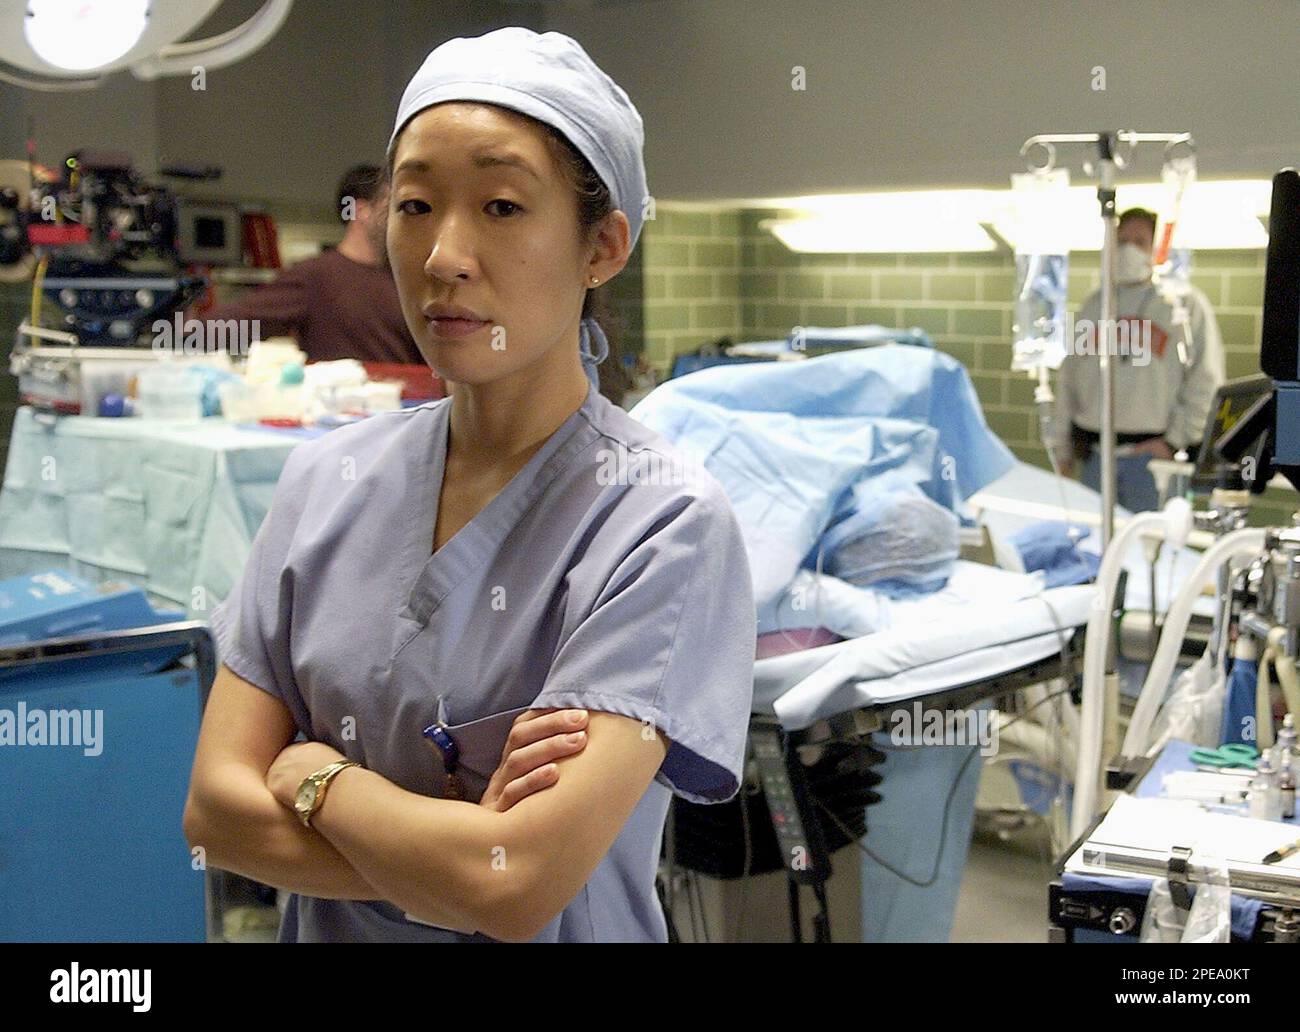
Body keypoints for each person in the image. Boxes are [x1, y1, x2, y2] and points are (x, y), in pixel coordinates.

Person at [185, 26, 757, 943]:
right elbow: (215, 819)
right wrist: (438, 846)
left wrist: (315, 778)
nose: (444, 254)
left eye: (499, 206)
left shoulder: (661, 525)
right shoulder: (322, 481)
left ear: (603, 245)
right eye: (413, 205)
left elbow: (514, 888)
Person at [1053, 207, 1225, 511]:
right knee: (1096, 548)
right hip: (1096, 456)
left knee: (1149, 549)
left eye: (1140, 240)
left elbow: (1205, 382)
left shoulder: (1183, 306)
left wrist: (1174, 441)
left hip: (1153, 459)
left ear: (1157, 248)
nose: (1128, 249)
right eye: (1122, 240)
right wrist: (1062, 446)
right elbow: (1069, 378)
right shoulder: (1094, 306)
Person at [198, 165, 424, 364]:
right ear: (361, 211)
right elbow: (240, 320)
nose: (400, 218)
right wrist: (177, 337)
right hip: (345, 407)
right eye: (391, 206)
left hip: (414, 404)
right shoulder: (315, 276)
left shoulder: (407, 278)